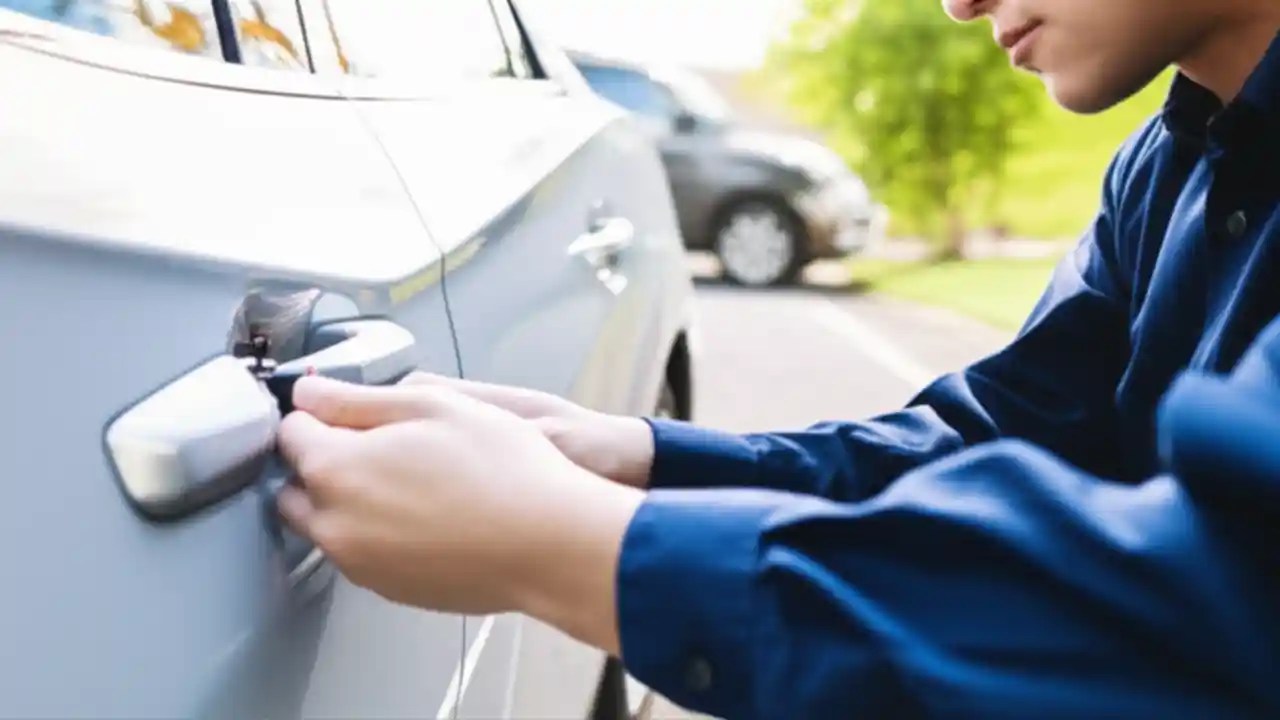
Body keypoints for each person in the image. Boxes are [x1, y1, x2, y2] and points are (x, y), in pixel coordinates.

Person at [275, 0, 1280, 717]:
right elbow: (999, 437)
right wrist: (632, 460)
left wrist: (575, 546)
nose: (959, 5)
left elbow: (1223, 608)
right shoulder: (1167, 163)